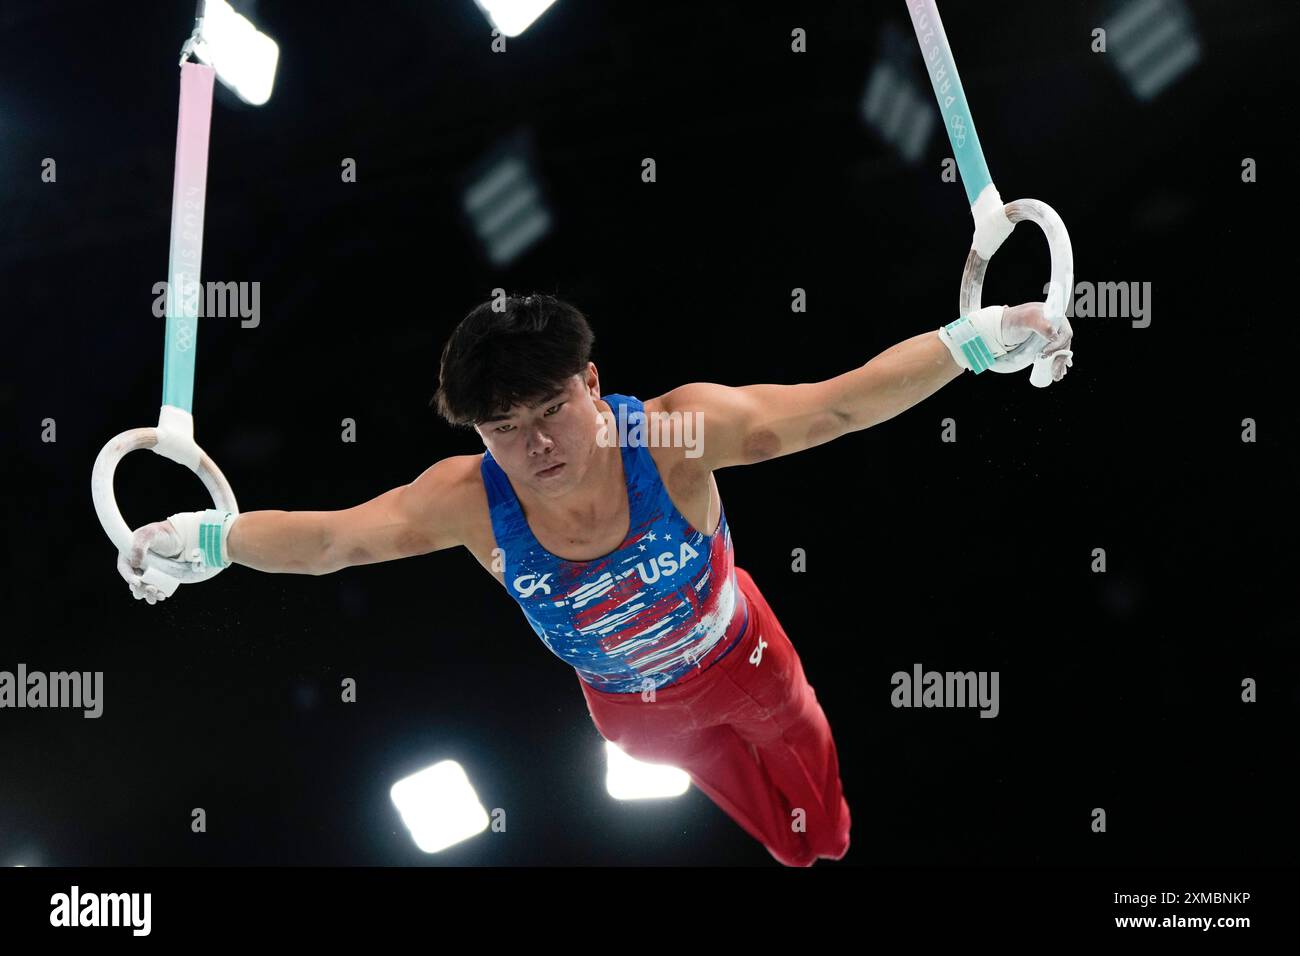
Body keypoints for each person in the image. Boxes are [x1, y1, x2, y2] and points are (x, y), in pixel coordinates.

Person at [117, 291, 1073, 866]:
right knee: (777, 840)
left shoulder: (668, 433)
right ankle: (790, 838)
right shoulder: (467, 500)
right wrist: (206, 544)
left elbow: (827, 412)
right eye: (502, 430)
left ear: (590, 382)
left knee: (820, 826)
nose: (535, 446)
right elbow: (333, 541)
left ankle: (825, 831)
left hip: (741, 653)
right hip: (629, 709)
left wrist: (974, 344)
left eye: (550, 409)